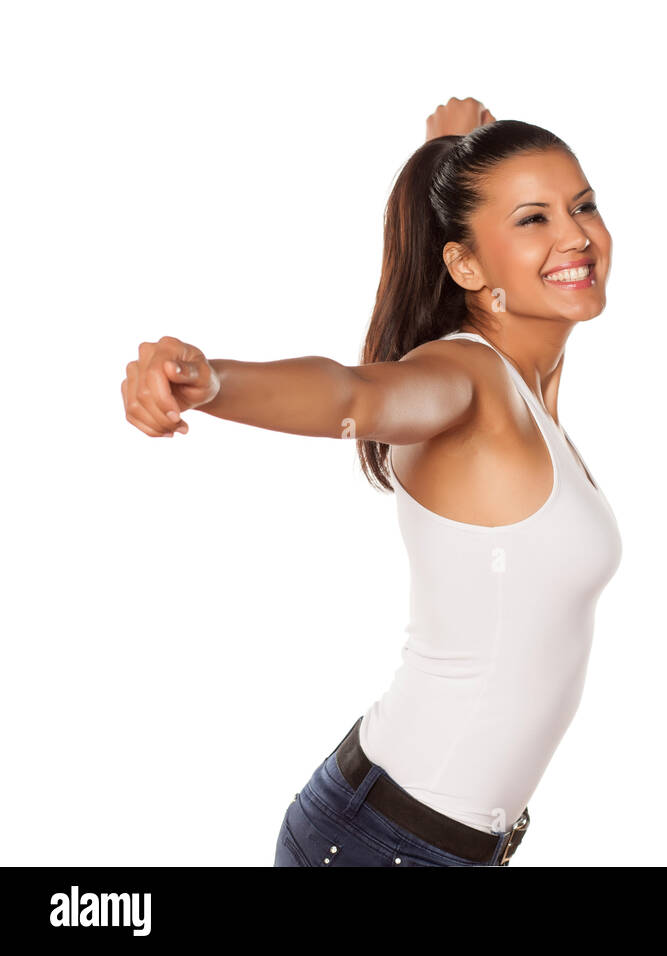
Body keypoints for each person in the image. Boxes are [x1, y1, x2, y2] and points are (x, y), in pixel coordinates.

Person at [119, 97, 622, 866]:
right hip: (382, 845)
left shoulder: (527, 391)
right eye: (533, 219)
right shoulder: (467, 379)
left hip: (426, 838)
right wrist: (213, 382)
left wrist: (449, 155)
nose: (577, 235)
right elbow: (352, 395)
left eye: (582, 205)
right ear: (466, 265)